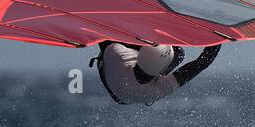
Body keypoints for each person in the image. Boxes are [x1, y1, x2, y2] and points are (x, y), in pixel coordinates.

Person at [91, 42, 221, 105]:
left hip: (112, 72)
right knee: (178, 53)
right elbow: (201, 63)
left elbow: (104, 36)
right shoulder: (158, 89)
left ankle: (151, 40)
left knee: (176, 52)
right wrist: (219, 37)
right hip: (124, 93)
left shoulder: (117, 54)